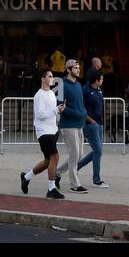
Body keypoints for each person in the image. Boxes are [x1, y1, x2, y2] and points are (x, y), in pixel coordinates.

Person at [20, 69, 65, 199]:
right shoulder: (39, 95)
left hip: (52, 130)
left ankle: (26, 177)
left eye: (52, 76)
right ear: (43, 79)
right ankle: (51, 189)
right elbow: (40, 115)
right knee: (55, 157)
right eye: (50, 76)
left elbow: (52, 112)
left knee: (47, 161)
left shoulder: (51, 93)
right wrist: (56, 110)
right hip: (43, 131)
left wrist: (59, 111)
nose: (52, 78)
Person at [55, 59, 89, 192]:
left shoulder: (79, 85)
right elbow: (60, 106)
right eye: (75, 68)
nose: (78, 70)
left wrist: (83, 113)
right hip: (68, 125)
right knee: (74, 155)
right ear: (68, 70)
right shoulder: (62, 85)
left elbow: (80, 103)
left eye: (79, 67)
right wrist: (76, 113)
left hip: (79, 124)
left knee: (79, 155)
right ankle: (75, 185)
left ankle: (57, 173)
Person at [75, 73, 109, 187]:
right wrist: (90, 120)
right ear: (96, 80)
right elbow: (81, 107)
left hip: (99, 123)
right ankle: (96, 180)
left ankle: (76, 167)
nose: (103, 80)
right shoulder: (85, 90)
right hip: (90, 124)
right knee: (98, 150)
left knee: (97, 151)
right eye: (102, 78)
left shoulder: (99, 90)